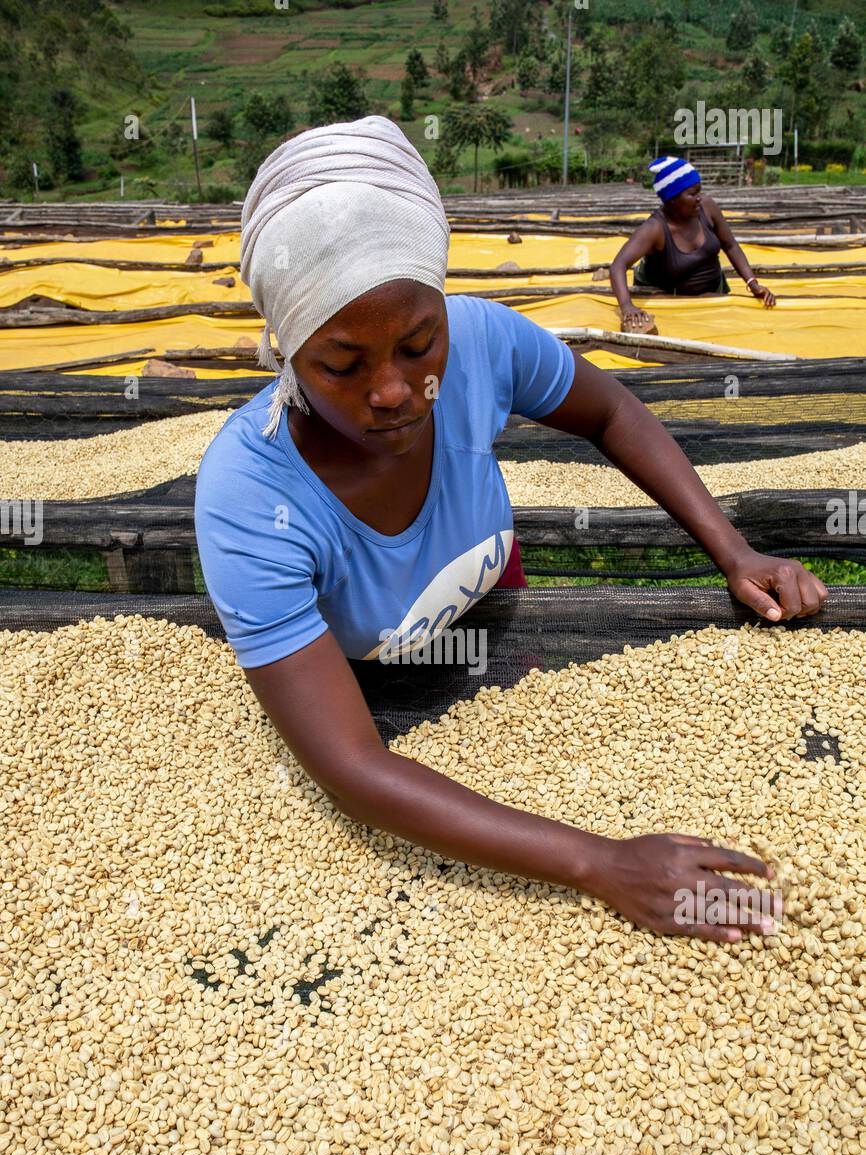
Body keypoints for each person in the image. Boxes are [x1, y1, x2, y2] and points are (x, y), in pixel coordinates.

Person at [195, 116, 827, 945]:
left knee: (521, 684)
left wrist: (733, 549)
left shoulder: (484, 339)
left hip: (499, 612)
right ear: (285, 352)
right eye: (342, 367)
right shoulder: (248, 493)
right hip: (379, 692)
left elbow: (610, 410)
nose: (393, 392)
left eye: (420, 346)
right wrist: (599, 862)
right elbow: (351, 766)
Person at [609, 155, 777, 334]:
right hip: (672, 302)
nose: (699, 198)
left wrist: (752, 283)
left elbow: (730, 245)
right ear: (672, 199)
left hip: (714, 293)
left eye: (699, 191)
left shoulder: (707, 207)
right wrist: (627, 306)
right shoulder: (655, 229)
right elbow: (618, 266)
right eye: (692, 193)